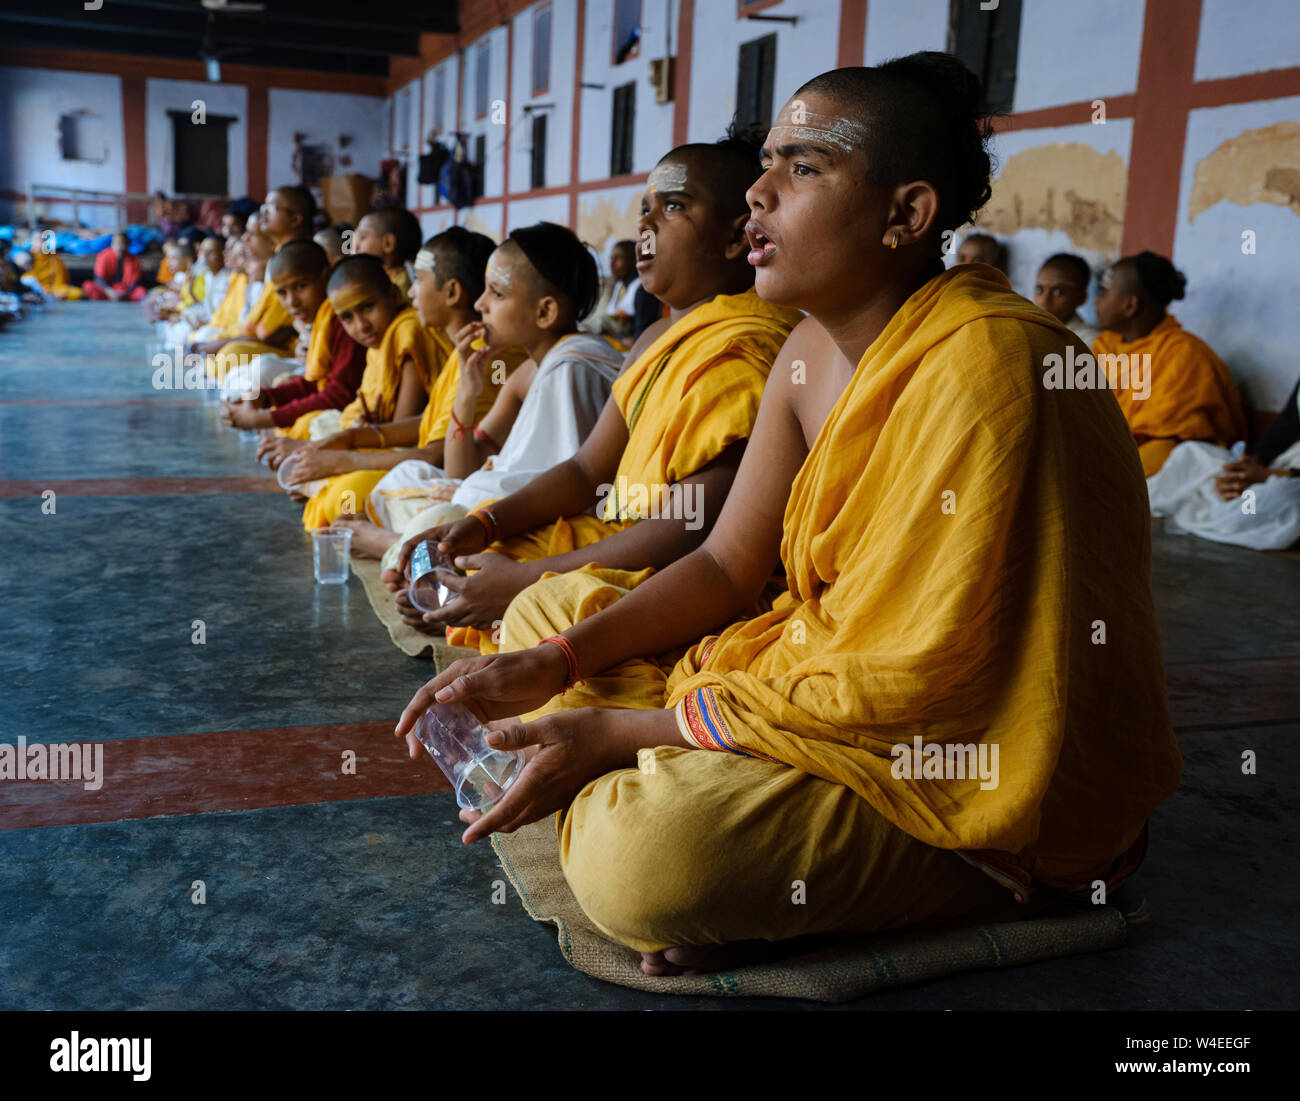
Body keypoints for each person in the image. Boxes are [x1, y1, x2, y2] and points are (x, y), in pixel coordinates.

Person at [395, 55, 1183, 977]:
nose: (758, 195)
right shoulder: (807, 353)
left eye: (802, 168)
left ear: (908, 214)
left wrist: (622, 730)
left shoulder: (991, 366)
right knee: (546, 613)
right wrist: (556, 660)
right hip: (814, 674)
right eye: (766, 163)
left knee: (643, 860)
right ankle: (671, 777)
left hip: (966, 762)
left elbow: (922, 683)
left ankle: (997, 873)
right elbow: (729, 567)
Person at [394, 127, 804, 654]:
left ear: (735, 236)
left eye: (674, 206)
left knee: (542, 604)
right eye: (645, 207)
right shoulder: (654, 338)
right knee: (465, 556)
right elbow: (588, 471)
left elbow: (691, 527)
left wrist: (525, 580)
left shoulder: (751, 344)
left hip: (674, 566)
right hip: (610, 532)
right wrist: (481, 525)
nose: (645, 224)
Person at [337, 223, 623, 563]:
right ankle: (413, 546)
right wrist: (467, 393)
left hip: (557, 525)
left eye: (497, 294)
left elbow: (565, 493)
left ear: (544, 312)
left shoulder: (572, 369)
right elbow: (461, 469)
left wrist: (468, 494)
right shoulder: (526, 372)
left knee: (452, 514)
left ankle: (392, 545)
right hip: (495, 505)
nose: (480, 303)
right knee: (410, 479)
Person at [1093, 251, 1247, 476]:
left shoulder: (1184, 352)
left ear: (1130, 306)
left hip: (1163, 455)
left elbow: (1170, 434)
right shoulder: (1104, 345)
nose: (1097, 301)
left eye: (1104, 292)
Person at [221, 241, 367, 437]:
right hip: (335, 404)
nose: (292, 301)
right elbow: (317, 383)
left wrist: (264, 419)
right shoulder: (323, 318)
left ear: (325, 277)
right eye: (282, 293)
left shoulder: (342, 319)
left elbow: (339, 395)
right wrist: (266, 397)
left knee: (307, 427)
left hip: (355, 413)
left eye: (301, 286)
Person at [1146, 374, 1300, 550]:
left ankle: (1236, 515)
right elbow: (1286, 428)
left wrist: (1269, 476)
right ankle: (1234, 506)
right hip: (1277, 467)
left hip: (1289, 481)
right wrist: (1248, 465)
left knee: (1280, 495)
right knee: (1192, 453)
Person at [579, 240, 638, 345]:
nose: (612, 264)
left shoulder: (640, 288)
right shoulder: (620, 285)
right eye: (611, 259)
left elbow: (642, 328)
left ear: (634, 260)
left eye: (618, 258)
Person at [1032, 253, 1099, 346]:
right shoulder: (1029, 331)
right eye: (1040, 290)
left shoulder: (1089, 343)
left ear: (1081, 298)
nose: (1044, 300)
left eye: (1058, 292)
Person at [355, 208, 423, 298]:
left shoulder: (398, 288)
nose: (356, 246)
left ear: (388, 243)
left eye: (363, 237)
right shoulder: (380, 278)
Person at [82, 233, 146, 301]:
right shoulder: (104, 255)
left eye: (121, 243)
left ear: (127, 245)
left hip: (125, 291)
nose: (118, 246)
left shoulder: (134, 259)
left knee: (141, 292)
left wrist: (125, 293)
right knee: (88, 286)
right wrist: (109, 291)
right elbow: (98, 278)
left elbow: (135, 282)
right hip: (106, 290)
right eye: (116, 243)